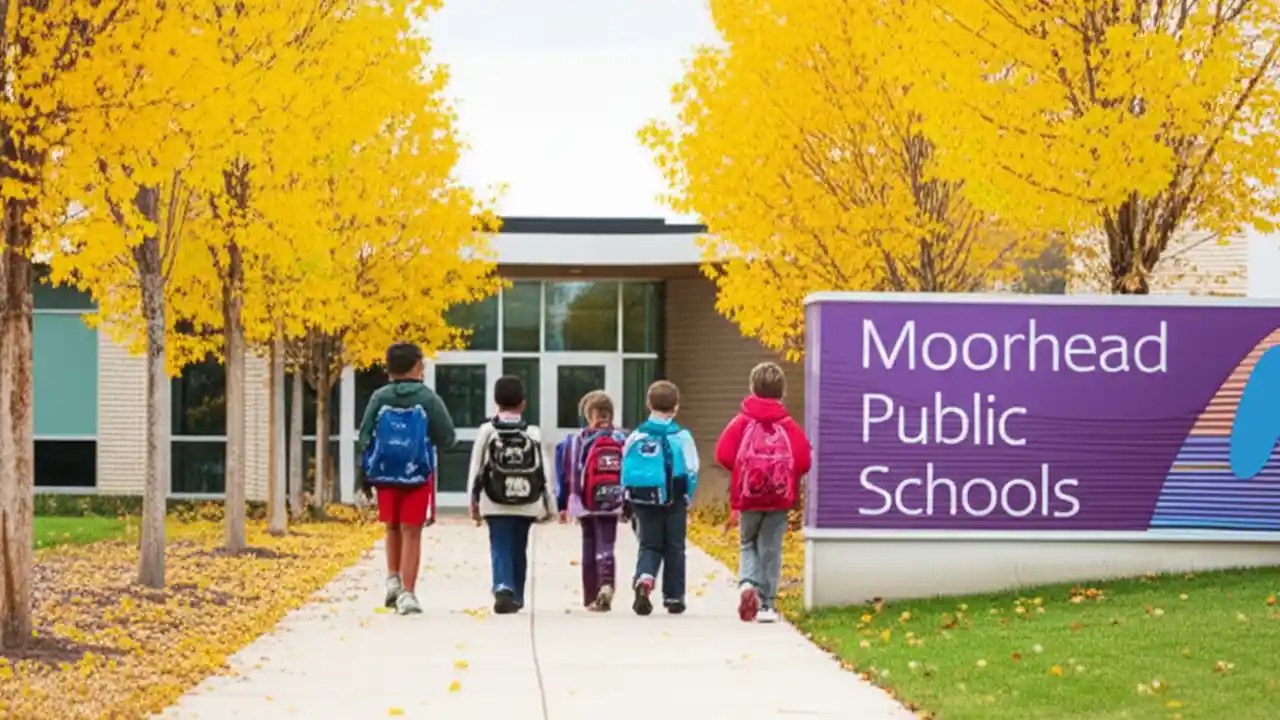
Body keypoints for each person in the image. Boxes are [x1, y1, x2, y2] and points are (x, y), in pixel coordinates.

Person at [358, 342, 457, 615]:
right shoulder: (428, 399)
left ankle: (392, 578)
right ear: (415, 366)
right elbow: (447, 437)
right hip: (417, 474)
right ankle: (408, 593)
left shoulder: (379, 397)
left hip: (385, 474)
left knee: (392, 527)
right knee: (411, 532)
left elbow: (364, 435)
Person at [716, 361, 812, 624]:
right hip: (779, 498)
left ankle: (747, 584)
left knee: (748, 542)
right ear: (782, 392)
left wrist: (741, 474)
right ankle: (767, 604)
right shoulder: (788, 425)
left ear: (752, 389)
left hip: (748, 496)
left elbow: (723, 453)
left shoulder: (742, 422)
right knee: (771, 548)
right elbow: (804, 460)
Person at [468, 375, 555, 614]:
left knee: (500, 544)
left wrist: (473, 501)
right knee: (520, 546)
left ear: (496, 402)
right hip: (526, 501)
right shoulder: (533, 432)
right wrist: (550, 504)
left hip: (494, 500)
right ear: (523, 403)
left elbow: (476, 467)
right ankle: (516, 594)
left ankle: (502, 585)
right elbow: (544, 470)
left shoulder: (487, 431)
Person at [621, 380, 699, 616]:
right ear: (676, 406)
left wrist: (628, 499)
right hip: (674, 495)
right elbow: (692, 468)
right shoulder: (682, 436)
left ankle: (644, 579)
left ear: (648, 404)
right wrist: (689, 495)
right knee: (675, 546)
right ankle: (674, 596)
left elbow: (625, 466)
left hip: (644, 497)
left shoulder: (636, 436)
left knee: (649, 544)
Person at [555, 390, 629, 611]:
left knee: (588, 546)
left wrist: (563, 504)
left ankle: (590, 596)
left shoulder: (577, 440)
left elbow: (566, 474)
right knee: (607, 544)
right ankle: (606, 583)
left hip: (585, 502)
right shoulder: (622, 439)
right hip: (613, 501)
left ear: (588, 415)